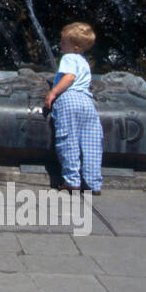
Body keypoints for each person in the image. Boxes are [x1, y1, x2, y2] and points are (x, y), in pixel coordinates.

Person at [44, 22, 104, 195]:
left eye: (63, 43)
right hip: (87, 102)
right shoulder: (84, 62)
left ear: (75, 47)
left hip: (69, 99)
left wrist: (53, 92)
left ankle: (72, 181)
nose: (60, 45)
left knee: (68, 139)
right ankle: (93, 183)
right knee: (91, 143)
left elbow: (69, 77)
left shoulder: (68, 58)